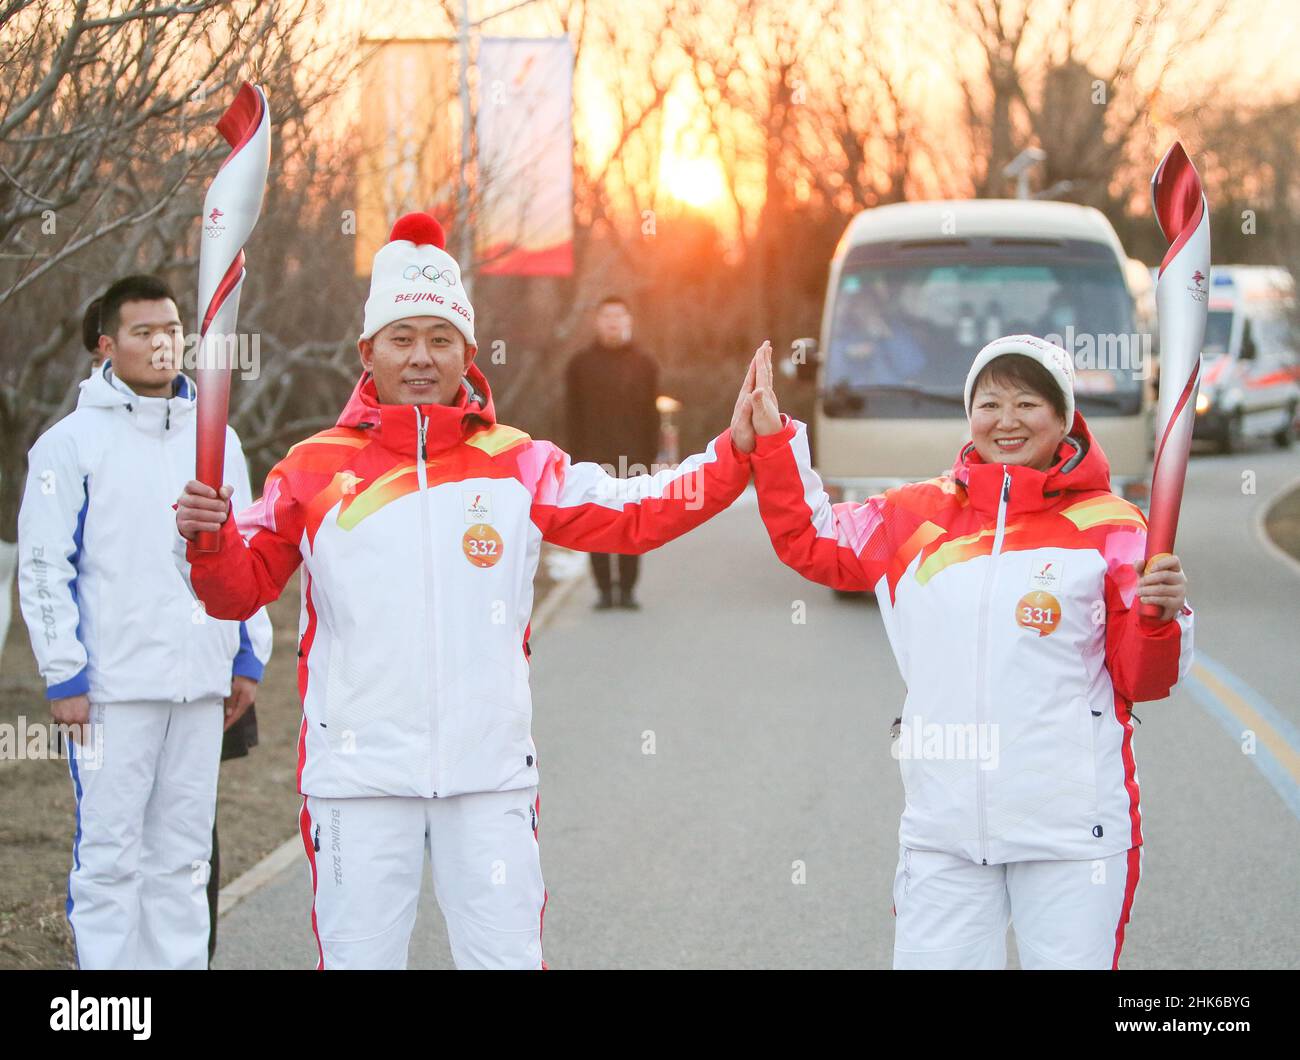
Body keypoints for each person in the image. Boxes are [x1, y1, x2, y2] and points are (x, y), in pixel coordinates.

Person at [173, 213, 759, 970]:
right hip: (358, 781)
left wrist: (732, 455)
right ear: (369, 351)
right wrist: (209, 539)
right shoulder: (310, 471)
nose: (422, 356)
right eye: (403, 337)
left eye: (440, 339)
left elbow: (633, 512)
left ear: (467, 352)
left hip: (488, 778)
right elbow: (233, 592)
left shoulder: (517, 463)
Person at [735, 334, 1193, 970]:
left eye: (1028, 402)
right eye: (989, 403)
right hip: (944, 830)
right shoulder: (914, 515)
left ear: (1063, 418)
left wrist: (1159, 619)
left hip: (1070, 833)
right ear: (969, 414)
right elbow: (810, 538)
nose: (1006, 421)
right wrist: (775, 441)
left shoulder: (1113, 526)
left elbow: (1141, 680)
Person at [17, 274, 272, 970]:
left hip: (199, 685)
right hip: (112, 690)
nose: (163, 344)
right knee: (109, 857)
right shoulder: (69, 445)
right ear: (107, 344)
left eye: (171, 330)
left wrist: (246, 656)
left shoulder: (218, 438)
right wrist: (64, 673)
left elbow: (249, 543)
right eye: (143, 332)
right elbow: (43, 567)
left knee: (183, 858)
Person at [565, 295, 660, 609]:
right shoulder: (580, 364)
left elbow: (651, 415)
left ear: (629, 321)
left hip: (634, 460)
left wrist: (651, 458)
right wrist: (574, 460)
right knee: (598, 524)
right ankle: (605, 590)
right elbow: (571, 415)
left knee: (632, 523)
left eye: (619, 316)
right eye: (607, 316)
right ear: (597, 321)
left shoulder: (645, 364)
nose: (613, 322)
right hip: (592, 459)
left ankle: (629, 590)